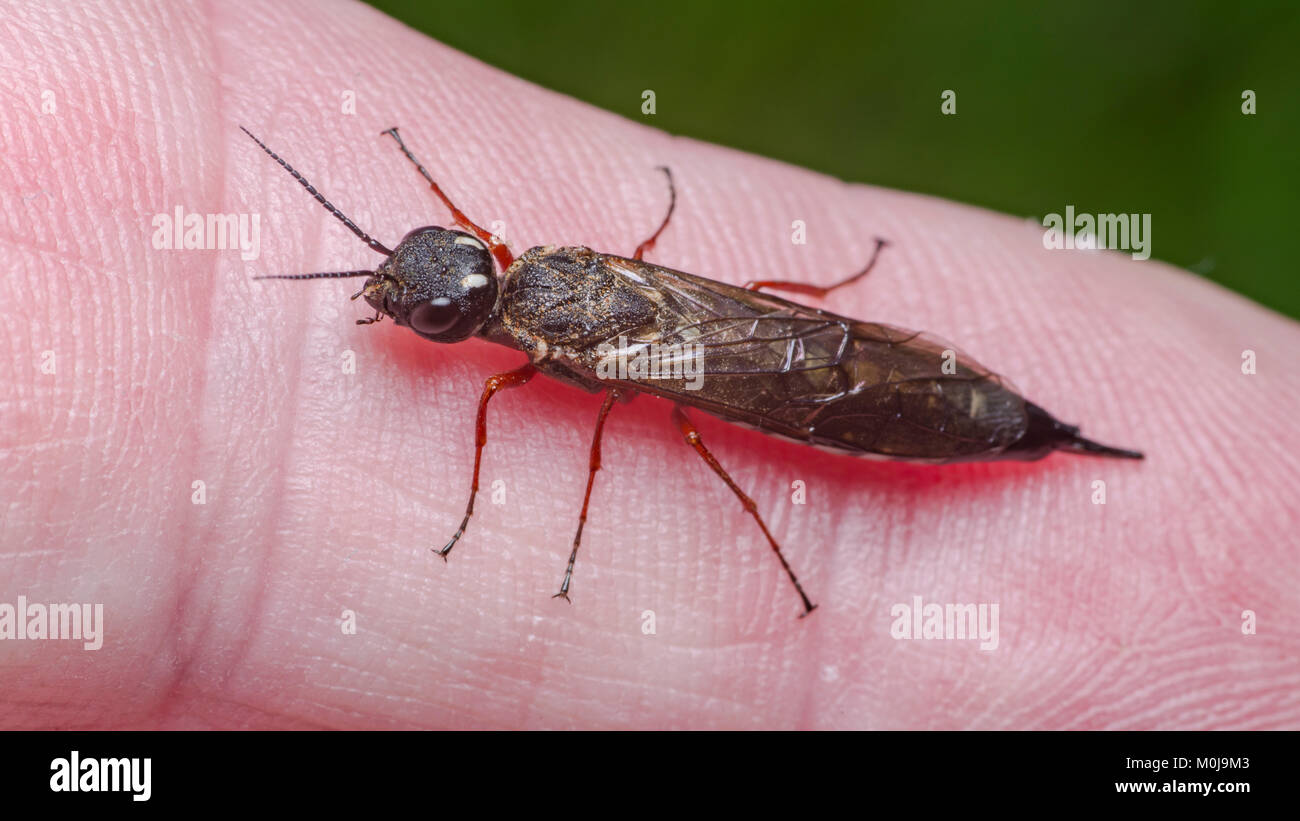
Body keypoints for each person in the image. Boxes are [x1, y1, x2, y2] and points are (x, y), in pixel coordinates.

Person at [3, 0, 1297, 730]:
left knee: (697, 414)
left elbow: (597, 327)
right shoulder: (548, 280)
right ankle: (1004, 416)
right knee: (749, 372)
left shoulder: (531, 338)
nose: (410, 296)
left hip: (822, 370)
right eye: (421, 298)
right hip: (815, 360)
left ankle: (1010, 420)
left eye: (420, 285)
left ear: (477, 282)